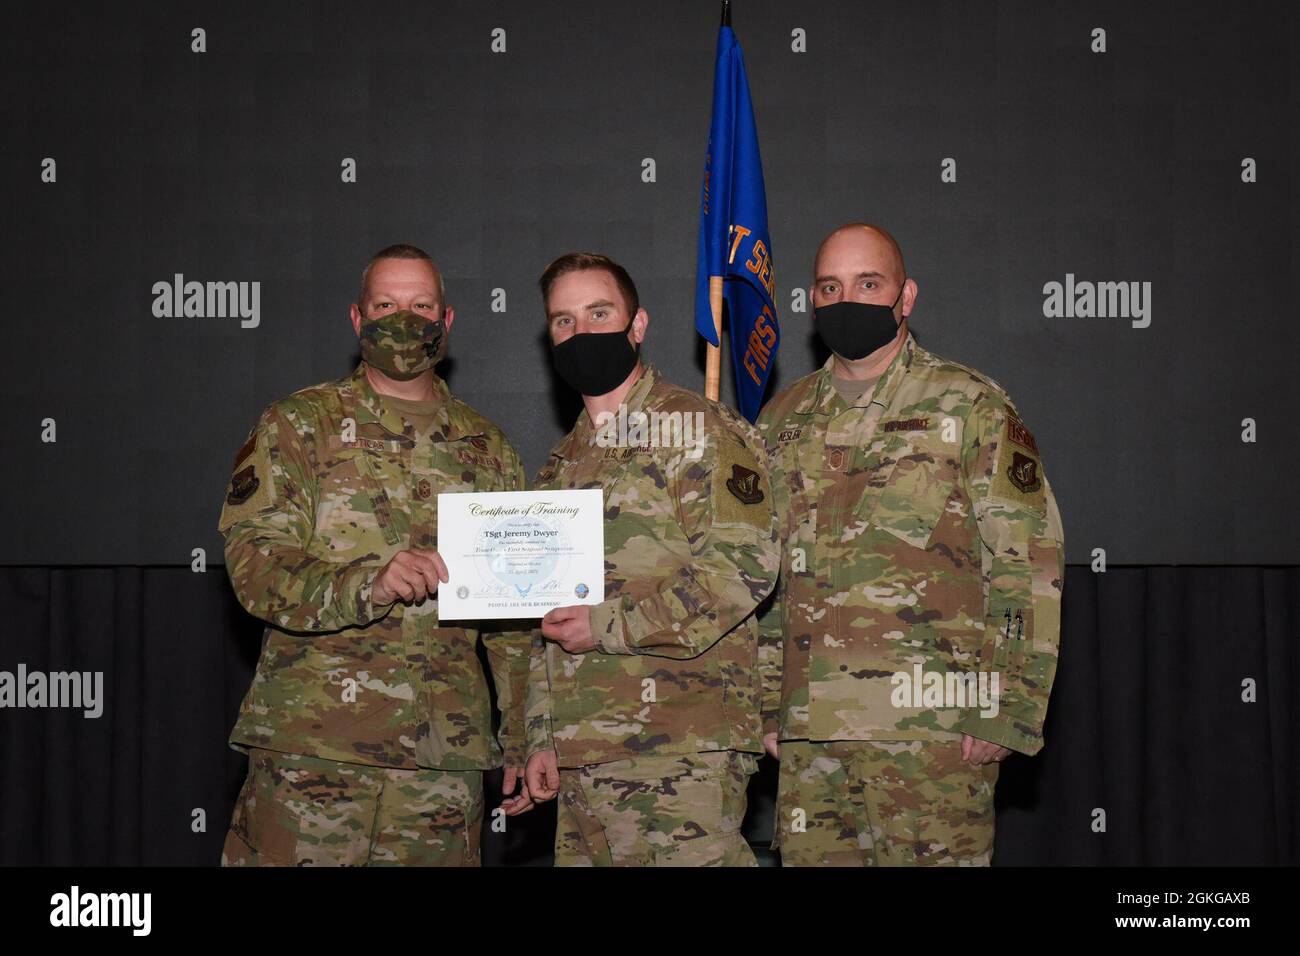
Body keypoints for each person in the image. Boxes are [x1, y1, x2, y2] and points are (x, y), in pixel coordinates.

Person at [755, 223, 1065, 866]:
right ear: (811, 300)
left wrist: (1006, 707)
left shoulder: (969, 404)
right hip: (811, 738)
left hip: (933, 734)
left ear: (906, 296)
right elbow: (764, 579)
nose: (849, 300)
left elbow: (1027, 561)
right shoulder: (780, 421)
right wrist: (764, 705)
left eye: (869, 284)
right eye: (830, 287)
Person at [218, 244, 531, 866]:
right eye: (386, 305)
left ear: (447, 322)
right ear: (358, 320)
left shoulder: (487, 446)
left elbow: (513, 619)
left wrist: (524, 734)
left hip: (443, 763)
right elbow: (255, 566)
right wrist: (369, 584)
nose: (403, 320)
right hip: (316, 749)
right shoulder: (300, 424)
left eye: (421, 306)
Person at [522, 252, 779, 866]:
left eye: (598, 313)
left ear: (636, 327)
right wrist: (541, 736)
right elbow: (545, 617)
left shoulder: (696, 428)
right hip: (583, 753)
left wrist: (605, 627)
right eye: (563, 321)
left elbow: (741, 570)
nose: (581, 333)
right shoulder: (562, 461)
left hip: (677, 745)